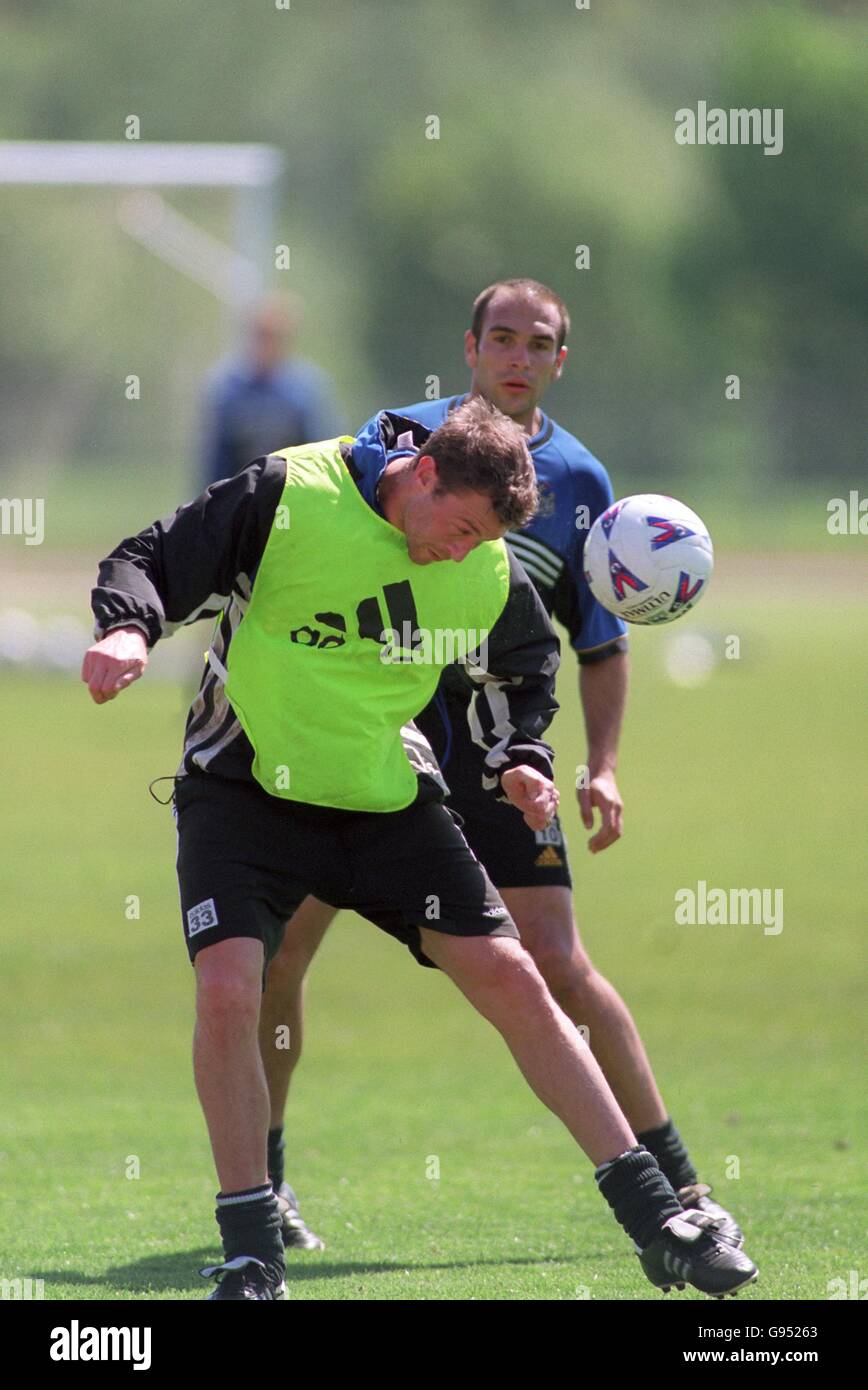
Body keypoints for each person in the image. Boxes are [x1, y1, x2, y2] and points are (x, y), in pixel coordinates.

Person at [82, 397, 756, 1300]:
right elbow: (154, 556)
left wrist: (519, 754)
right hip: (243, 789)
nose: (464, 552)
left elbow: (524, 663)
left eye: (486, 540)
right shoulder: (291, 491)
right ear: (425, 474)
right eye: (463, 529)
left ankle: (660, 1221)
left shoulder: (484, 566)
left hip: (383, 796)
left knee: (514, 978)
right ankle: (252, 1252)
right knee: (230, 987)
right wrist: (130, 626)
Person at [262, 279, 745, 1253]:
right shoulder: (404, 440)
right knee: (277, 955)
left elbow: (598, 647)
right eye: (503, 338)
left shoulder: (582, 481)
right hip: (371, 728)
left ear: (561, 360)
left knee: (558, 964)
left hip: (498, 746)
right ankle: (266, 1183)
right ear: (471, 348)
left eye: (540, 343)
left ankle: (680, 1181)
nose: (519, 356)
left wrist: (601, 765)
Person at [200, 293, 340, 486]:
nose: (266, 345)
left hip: (293, 497)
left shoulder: (304, 392)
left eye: (274, 337)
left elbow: (322, 457)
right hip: (241, 503)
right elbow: (216, 462)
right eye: (261, 335)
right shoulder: (229, 392)